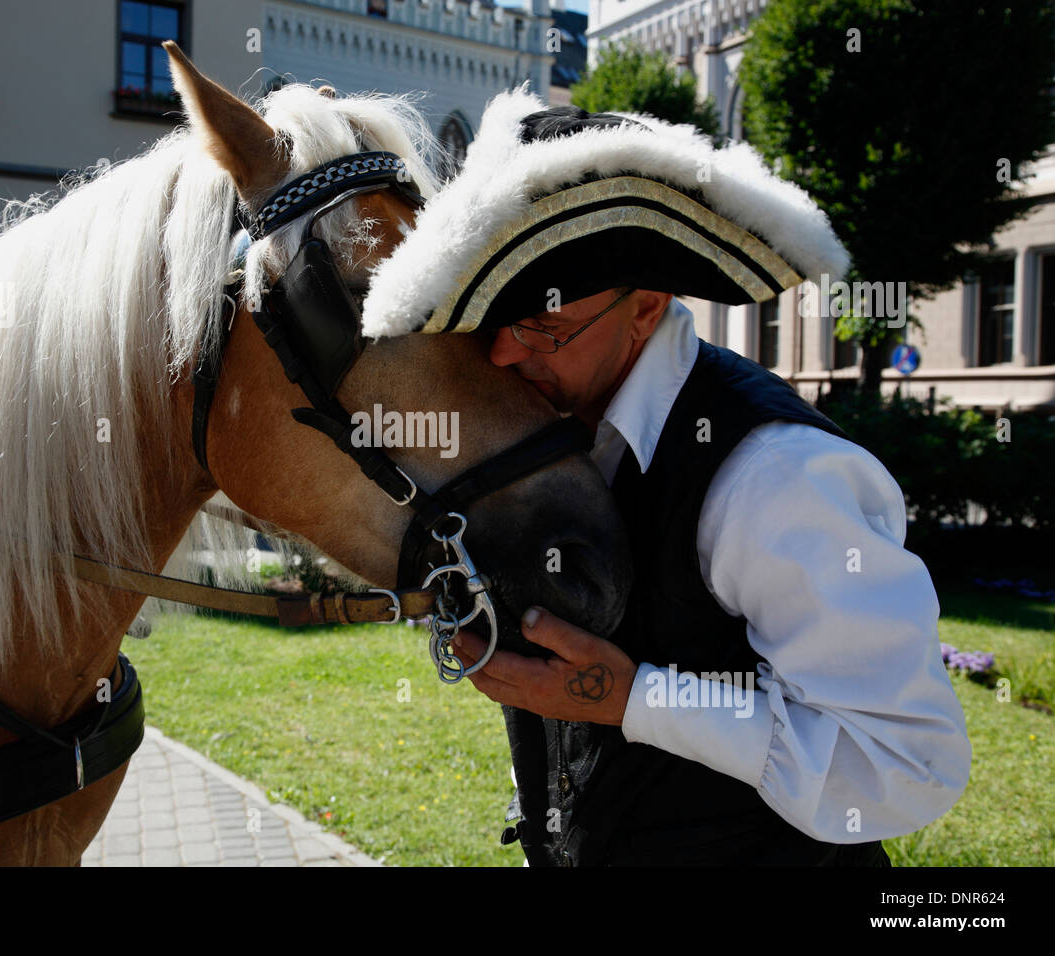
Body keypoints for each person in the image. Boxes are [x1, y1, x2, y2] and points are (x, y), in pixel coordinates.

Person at [360, 98, 971, 866]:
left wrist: (637, 699)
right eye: (489, 326)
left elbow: (902, 768)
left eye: (544, 329)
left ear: (645, 308)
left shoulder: (772, 475)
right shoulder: (543, 425)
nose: (507, 359)